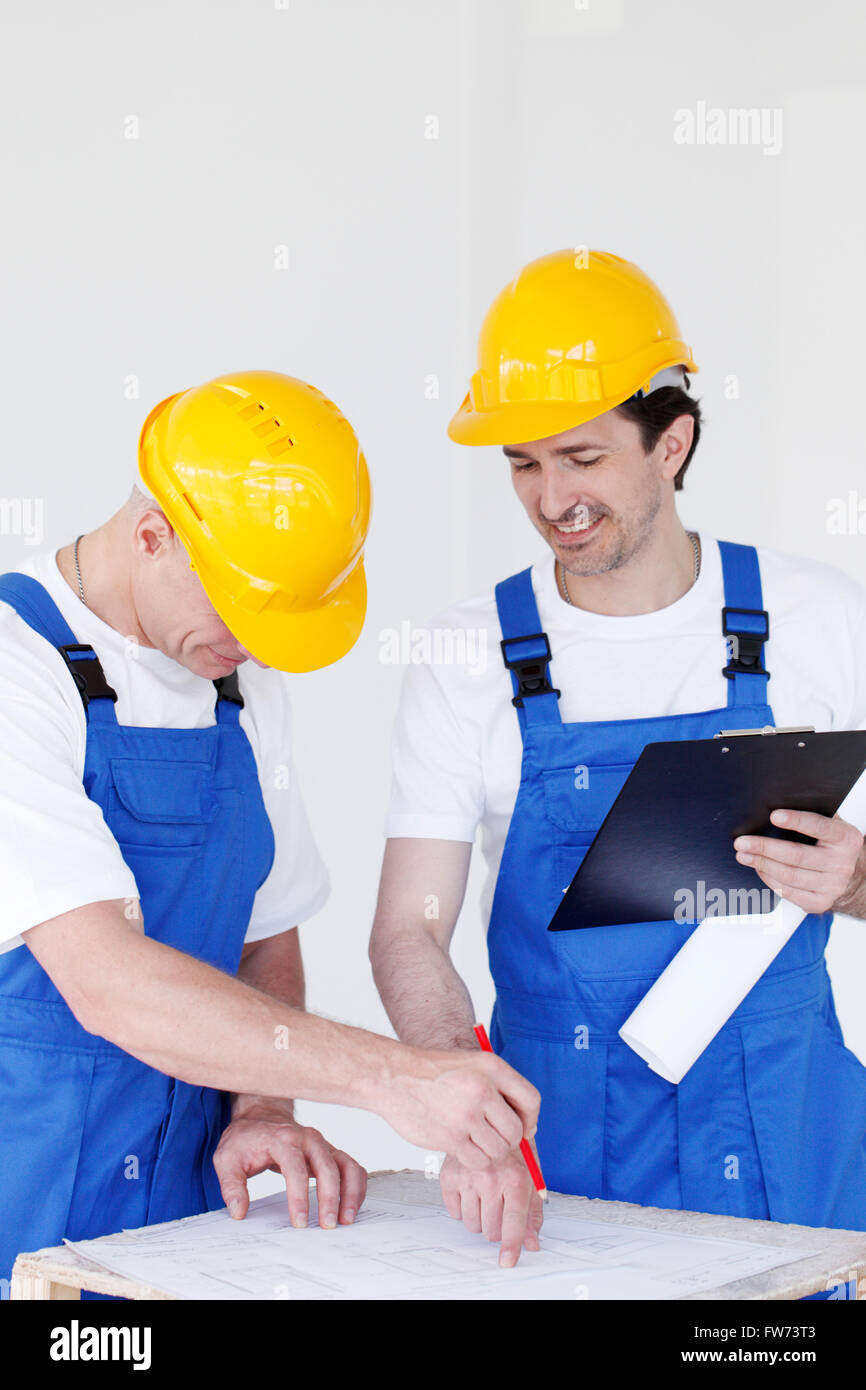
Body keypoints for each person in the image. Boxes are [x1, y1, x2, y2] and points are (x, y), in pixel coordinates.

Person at [370, 250, 866, 1268]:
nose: (551, 497)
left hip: (790, 1131)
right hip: (560, 1149)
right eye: (522, 463)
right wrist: (458, 1099)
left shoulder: (820, 621)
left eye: (582, 458)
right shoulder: (466, 655)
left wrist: (856, 881)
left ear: (670, 443)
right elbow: (407, 931)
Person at [0, 369, 539, 1290]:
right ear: (152, 535)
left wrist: (261, 1106)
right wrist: (396, 1079)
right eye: (243, 610)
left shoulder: (237, 686)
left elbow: (265, 933)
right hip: (25, 1191)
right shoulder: (19, 671)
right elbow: (107, 982)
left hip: (186, 1212)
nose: (254, 645)